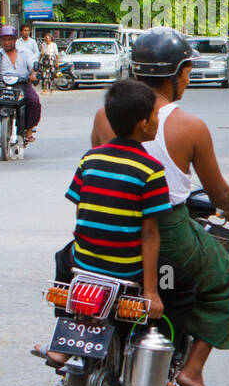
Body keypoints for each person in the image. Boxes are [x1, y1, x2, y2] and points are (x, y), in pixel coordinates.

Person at [89, 27, 229, 386]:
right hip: (169, 230)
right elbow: (220, 195)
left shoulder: (104, 114)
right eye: (187, 71)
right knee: (225, 282)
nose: (188, 79)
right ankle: (191, 373)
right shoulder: (189, 126)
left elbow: (103, 169)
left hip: (111, 227)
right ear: (176, 73)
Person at [44, 82, 169, 365]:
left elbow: (81, 210)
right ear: (143, 123)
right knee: (176, 284)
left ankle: (63, 336)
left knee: (63, 259)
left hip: (84, 263)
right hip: (125, 267)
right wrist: (151, 292)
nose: (159, 121)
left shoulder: (89, 159)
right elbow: (150, 235)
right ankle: (157, 363)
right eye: (157, 116)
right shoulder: (151, 170)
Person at [0, 25, 41, 144]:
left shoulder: (26, 53)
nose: (7, 42)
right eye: (4, 40)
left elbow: (33, 66)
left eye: (9, 39)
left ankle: (29, 130)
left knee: (34, 101)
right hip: (2, 86)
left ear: (15, 40)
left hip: (22, 85)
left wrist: (33, 74)